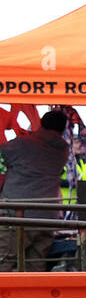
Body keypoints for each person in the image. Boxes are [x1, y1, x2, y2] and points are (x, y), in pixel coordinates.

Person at [0, 109, 69, 270]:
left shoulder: (23, 143)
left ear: (41, 123)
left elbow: (3, 152)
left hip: (17, 214)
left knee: (4, 263)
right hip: (47, 217)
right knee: (35, 267)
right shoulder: (63, 150)